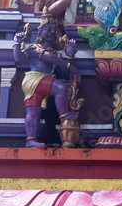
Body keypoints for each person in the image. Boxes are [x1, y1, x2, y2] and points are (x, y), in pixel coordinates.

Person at [12, 8, 83, 148]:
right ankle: (64, 116)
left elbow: (67, 74)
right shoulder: (34, 47)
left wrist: (70, 56)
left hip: (43, 82)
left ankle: (31, 140)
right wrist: (16, 43)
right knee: (60, 88)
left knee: (33, 111)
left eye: (54, 30)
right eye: (48, 29)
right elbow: (18, 58)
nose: (52, 32)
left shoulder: (57, 54)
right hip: (35, 79)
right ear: (40, 32)